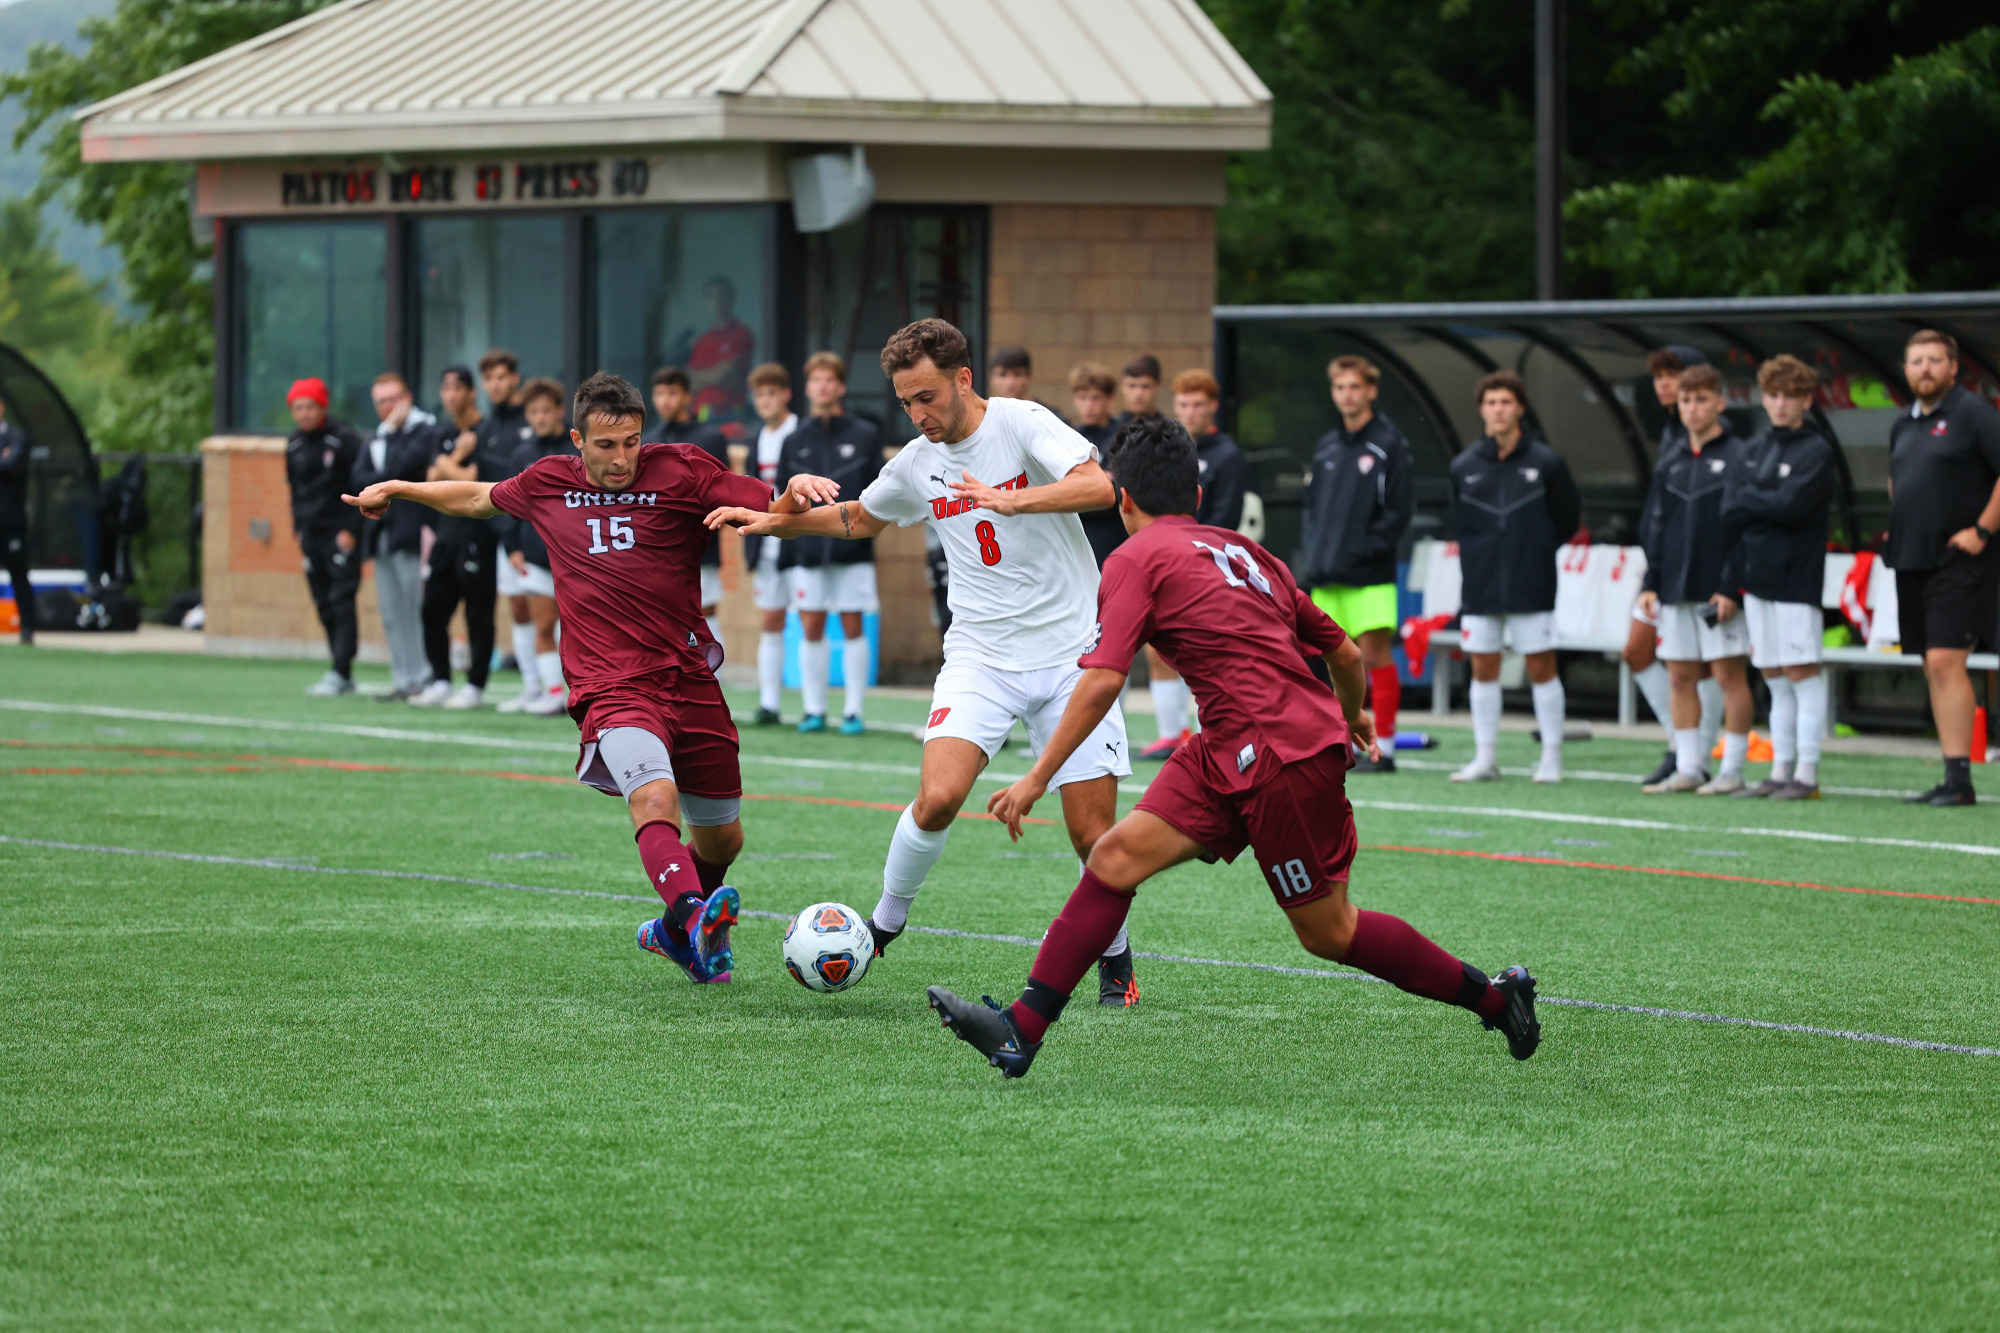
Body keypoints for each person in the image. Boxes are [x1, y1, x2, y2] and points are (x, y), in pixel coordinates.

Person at [926, 415, 1540, 1079]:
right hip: (1231, 743)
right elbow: (1346, 652)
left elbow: (1103, 678)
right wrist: (1354, 715)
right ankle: (1022, 1029)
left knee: (1329, 931)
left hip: (1280, 756)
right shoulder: (1247, 551)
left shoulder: (1133, 557)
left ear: (1122, 499)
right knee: (1115, 857)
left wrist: (1036, 776)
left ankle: (1495, 998)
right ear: (1196, 495)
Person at [708, 317, 1144, 1008]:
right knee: (938, 797)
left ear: (963, 379)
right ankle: (884, 924)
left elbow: (1098, 487)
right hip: (980, 657)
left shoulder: (1022, 423)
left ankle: (1116, 959)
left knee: (1093, 835)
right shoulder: (918, 461)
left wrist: (1011, 499)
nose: (918, 414)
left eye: (928, 397)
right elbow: (860, 518)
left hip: (1072, 657)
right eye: (906, 401)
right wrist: (774, 520)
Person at [344, 372, 789, 985]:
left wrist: (794, 495)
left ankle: (671, 932)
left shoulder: (682, 468)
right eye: (606, 445)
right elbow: (476, 497)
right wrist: (401, 488)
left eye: (632, 442)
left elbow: (768, 503)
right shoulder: (548, 481)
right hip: (610, 685)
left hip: (687, 677)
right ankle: (694, 920)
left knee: (723, 841)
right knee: (653, 798)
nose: (622, 458)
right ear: (578, 440)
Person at [1449, 370, 1581, 784]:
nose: (1498, 410)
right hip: (1481, 582)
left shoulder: (1547, 462)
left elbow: (1566, 520)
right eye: (1491, 402)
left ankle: (1552, 758)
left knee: (1541, 666)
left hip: (1531, 581)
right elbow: (1460, 523)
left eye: (1506, 402)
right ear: (1481, 410)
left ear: (1520, 408)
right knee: (1483, 666)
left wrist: (1534, 549)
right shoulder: (1464, 465)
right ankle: (1485, 759)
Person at [1886, 330, 2000, 807]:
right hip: (1911, 559)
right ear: (1906, 369)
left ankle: (1960, 781)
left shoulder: (1974, 414)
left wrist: (1983, 531)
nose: (1925, 369)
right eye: (1916, 361)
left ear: (1954, 367)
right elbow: (1899, 481)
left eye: (1934, 360)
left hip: (1960, 560)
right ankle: (1952, 774)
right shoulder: (1903, 423)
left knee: (1944, 661)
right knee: (1931, 666)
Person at [1634, 363, 1755, 794]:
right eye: (1685, 400)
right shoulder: (1670, 460)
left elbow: (1745, 529)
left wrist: (1730, 587)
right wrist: (1651, 582)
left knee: (1727, 677)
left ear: (1720, 403)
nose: (1693, 408)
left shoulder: (1740, 455)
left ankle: (1732, 770)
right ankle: (1689, 766)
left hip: (1718, 590)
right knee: (1680, 676)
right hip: (1673, 590)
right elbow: (1655, 526)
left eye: (1702, 399)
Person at [1723, 354, 1836, 801]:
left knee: (1801, 672)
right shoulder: (1751, 448)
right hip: (1756, 577)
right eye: (1773, 395)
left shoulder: (1817, 450)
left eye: (1791, 395)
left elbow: (1793, 507)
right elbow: (1729, 509)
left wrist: (1755, 499)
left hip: (1796, 578)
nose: (1781, 404)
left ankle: (1806, 773)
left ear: (1807, 400)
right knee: (1772, 674)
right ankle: (1779, 768)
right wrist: (1766, 500)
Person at [1301, 355, 1413, 773]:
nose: (1346, 394)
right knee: (1328, 660)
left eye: (1354, 386)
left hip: (1370, 576)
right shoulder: (1327, 446)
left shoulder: (1389, 444)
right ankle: (1335, 744)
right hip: (1327, 574)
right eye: (1340, 387)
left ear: (1371, 391)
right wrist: (1316, 555)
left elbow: (1398, 514)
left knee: (1374, 656)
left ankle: (1385, 748)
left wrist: (1362, 550)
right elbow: (1312, 511)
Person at [1137, 369, 1245, 761]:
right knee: (1158, 645)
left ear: (1213, 406)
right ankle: (1171, 734)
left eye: (1198, 404)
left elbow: (1224, 519)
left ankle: (1208, 737)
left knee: (1205, 652)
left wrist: (1188, 548)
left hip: (1209, 565)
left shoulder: (1228, 455)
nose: (1190, 411)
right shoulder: (1170, 449)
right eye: (1183, 404)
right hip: (1169, 561)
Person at [1629, 346, 1726, 785]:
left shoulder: (1724, 441)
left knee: (1707, 667)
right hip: (1664, 568)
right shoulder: (1670, 433)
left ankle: (1697, 755)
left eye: (1674, 375)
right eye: (1659, 377)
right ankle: (1680, 744)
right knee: (1638, 651)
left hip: (1706, 571)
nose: (1665, 385)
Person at [778, 352, 883, 736]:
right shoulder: (793, 440)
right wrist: (788, 550)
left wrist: (862, 534)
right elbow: (784, 501)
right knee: (811, 627)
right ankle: (814, 710)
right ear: (807, 388)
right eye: (816, 380)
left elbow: (877, 496)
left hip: (853, 552)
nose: (822, 386)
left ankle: (853, 711)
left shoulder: (865, 434)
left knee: (853, 626)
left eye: (829, 379)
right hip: (806, 552)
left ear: (840, 386)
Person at [412, 363, 510, 709]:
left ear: (471, 392)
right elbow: (430, 481)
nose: (451, 395)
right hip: (445, 535)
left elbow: (472, 482)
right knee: (432, 609)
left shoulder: (488, 430)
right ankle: (440, 679)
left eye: (457, 388)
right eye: (445, 388)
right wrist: (455, 458)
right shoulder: (443, 432)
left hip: (477, 535)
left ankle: (474, 685)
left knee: (478, 614)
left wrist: (446, 466)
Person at [350, 374, 437, 701]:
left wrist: (381, 480)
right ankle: (403, 679)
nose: (387, 407)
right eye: (380, 402)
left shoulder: (426, 430)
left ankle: (424, 676)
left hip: (413, 533)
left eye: (392, 399)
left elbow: (402, 468)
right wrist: (381, 480)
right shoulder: (378, 435)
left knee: (415, 608)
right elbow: (359, 478)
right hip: (381, 534)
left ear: (407, 398)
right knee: (391, 612)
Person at [494, 377, 577, 716]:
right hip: (534, 553)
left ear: (559, 411)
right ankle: (553, 693)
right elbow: (509, 504)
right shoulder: (522, 454)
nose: (540, 417)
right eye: (533, 412)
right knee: (542, 624)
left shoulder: (577, 449)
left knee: (576, 628)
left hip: (574, 556)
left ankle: (584, 693)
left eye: (546, 410)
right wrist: (512, 545)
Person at [282, 377, 365, 697]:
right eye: (298, 408)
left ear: (322, 407)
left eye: (309, 407)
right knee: (323, 602)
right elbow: (294, 490)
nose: (304, 414)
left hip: (340, 533)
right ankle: (339, 668)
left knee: (342, 600)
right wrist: (298, 528)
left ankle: (341, 670)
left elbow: (361, 485)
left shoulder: (344, 440)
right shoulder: (293, 445)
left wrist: (352, 529)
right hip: (311, 535)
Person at [646, 366, 731, 643]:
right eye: (660, 394)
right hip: (656, 548)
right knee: (662, 617)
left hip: (699, 546)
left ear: (687, 396)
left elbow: (722, 492)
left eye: (672, 393)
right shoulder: (646, 442)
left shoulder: (711, 438)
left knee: (704, 613)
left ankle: (713, 668)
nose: (665, 400)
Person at [745, 362, 798, 725]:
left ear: (786, 395)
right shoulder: (756, 439)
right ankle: (769, 703)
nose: (765, 401)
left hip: (802, 539)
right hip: (767, 543)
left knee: (810, 619)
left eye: (771, 394)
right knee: (770, 618)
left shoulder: (801, 432)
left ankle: (815, 707)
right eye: (759, 395)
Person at [1067, 362, 1126, 568]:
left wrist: (1076, 485)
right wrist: (1099, 480)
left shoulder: (1123, 437)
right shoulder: (1069, 437)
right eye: (1082, 398)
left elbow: (1115, 497)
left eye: (1095, 398)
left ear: (1110, 399)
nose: (1089, 405)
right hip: (1076, 541)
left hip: (1112, 539)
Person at [685, 277, 756, 423]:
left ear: (731, 298)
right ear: (707, 303)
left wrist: (703, 377)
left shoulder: (741, 334)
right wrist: (712, 376)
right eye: (712, 297)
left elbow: (722, 375)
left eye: (722, 295)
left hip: (730, 416)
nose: (718, 301)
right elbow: (688, 380)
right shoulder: (704, 340)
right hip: (701, 415)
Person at [0, 397, 31, 645]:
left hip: (10, 520)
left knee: (18, 573)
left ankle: (28, 629)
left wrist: (6, 460)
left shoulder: (18, 437)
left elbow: (11, 465)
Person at [1112, 353, 1163, 433]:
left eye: (1145, 386)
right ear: (1122, 386)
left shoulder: (1170, 433)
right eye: (1132, 386)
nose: (1138, 394)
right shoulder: (1107, 432)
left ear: (1157, 386)